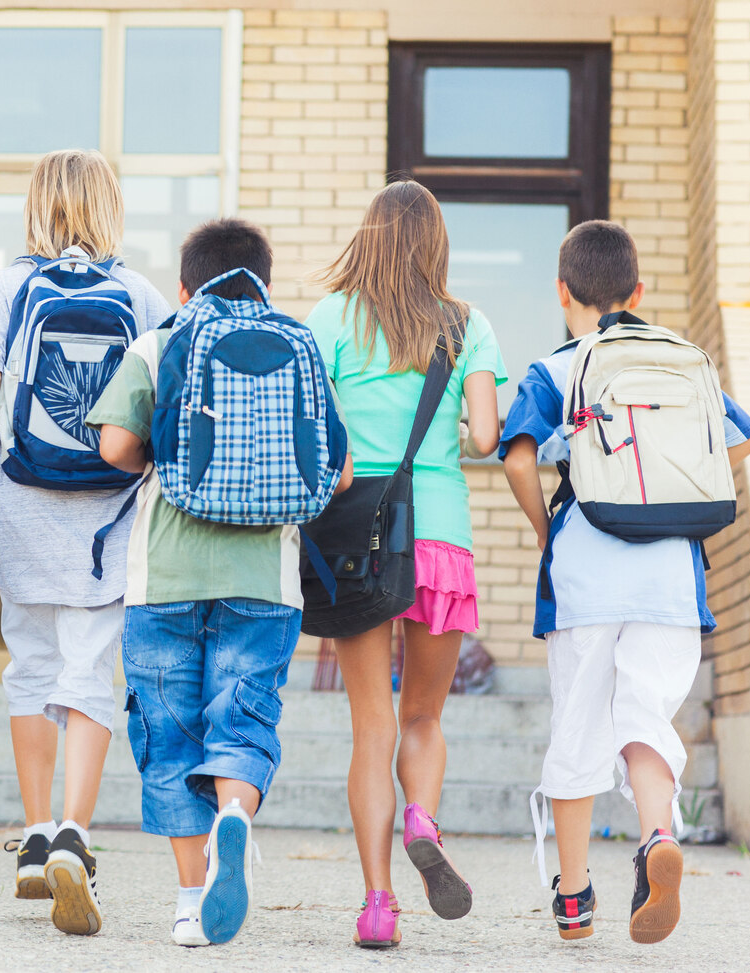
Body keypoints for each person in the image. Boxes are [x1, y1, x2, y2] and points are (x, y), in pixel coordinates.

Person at [87, 217, 349, 948]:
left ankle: (188, 897)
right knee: (241, 719)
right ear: (263, 278)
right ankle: (235, 812)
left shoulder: (162, 341)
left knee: (170, 737)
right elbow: (340, 467)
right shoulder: (301, 345)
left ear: (184, 283)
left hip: (163, 576)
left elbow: (115, 445)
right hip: (265, 577)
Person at [500, 219, 750, 944]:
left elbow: (518, 458)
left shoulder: (555, 367)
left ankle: (577, 898)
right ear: (638, 290)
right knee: (646, 718)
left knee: (580, 725)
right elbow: (748, 436)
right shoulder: (687, 361)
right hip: (671, 573)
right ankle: (654, 838)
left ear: (562, 292)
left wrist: (548, 531)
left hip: (586, 568)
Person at [0, 148, 171, 936]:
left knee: (30, 662)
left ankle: (36, 832)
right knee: (90, 665)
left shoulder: (4, 286)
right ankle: (76, 838)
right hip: (109, 511)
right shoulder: (141, 293)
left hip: (21, 494)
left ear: (38, 204)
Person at [304, 179, 506, 947]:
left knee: (371, 726)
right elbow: (484, 436)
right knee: (424, 715)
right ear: (436, 244)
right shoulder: (468, 323)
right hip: (441, 537)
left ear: (370, 236)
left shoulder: (331, 317)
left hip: (356, 539)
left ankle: (378, 903)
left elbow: (315, 429)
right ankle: (423, 815)